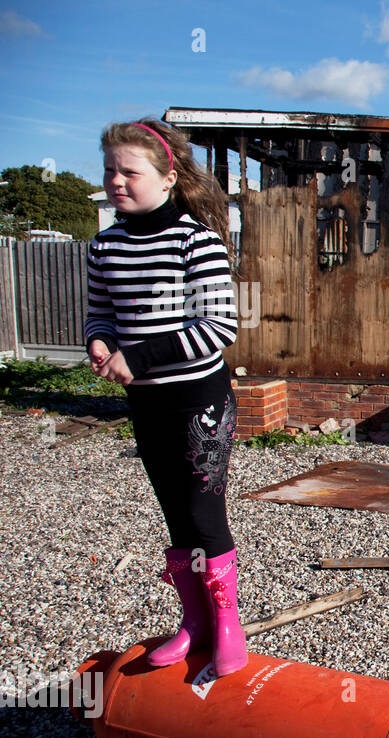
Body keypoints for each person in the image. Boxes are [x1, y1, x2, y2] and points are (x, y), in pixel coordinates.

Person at [85, 118, 247, 677]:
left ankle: (229, 625)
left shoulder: (193, 241)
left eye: (130, 171)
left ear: (166, 176)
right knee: (175, 515)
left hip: (199, 402)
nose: (116, 182)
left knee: (203, 513)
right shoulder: (103, 245)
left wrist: (140, 356)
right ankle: (195, 621)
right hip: (146, 405)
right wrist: (101, 342)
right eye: (110, 170)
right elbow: (100, 312)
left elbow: (220, 327)